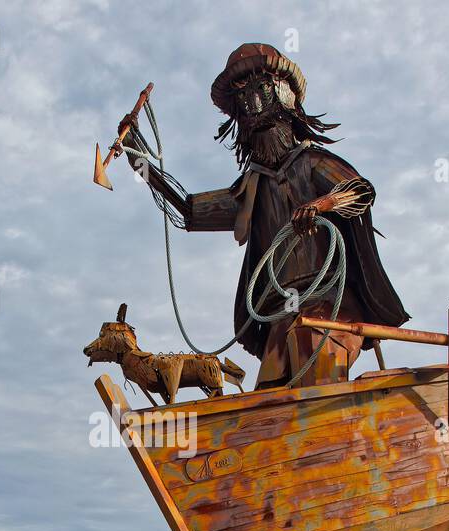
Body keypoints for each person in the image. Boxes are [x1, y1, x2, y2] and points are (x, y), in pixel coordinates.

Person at [122, 43, 409, 388]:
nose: (254, 107)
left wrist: (320, 205)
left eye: (262, 92)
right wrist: (138, 158)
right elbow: (188, 209)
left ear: (285, 97)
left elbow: (360, 191)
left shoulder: (312, 164)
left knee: (313, 358)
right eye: (244, 100)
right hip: (280, 313)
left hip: (329, 306)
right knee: (269, 390)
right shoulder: (251, 189)